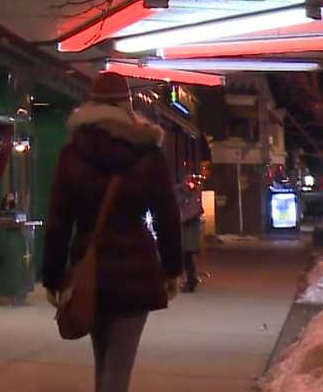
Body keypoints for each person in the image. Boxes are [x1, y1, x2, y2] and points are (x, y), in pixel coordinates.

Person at [42, 73, 183, 392]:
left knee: (103, 360)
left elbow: (58, 220)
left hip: (89, 269)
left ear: (90, 105)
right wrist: (172, 269)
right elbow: (167, 215)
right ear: (127, 106)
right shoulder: (147, 152)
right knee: (118, 368)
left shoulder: (73, 154)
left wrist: (53, 276)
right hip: (136, 271)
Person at [178, 183, 204, 292]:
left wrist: (179, 219)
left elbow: (190, 213)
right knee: (187, 257)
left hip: (189, 232)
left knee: (187, 256)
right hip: (189, 232)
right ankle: (191, 280)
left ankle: (191, 281)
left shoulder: (192, 196)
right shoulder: (192, 196)